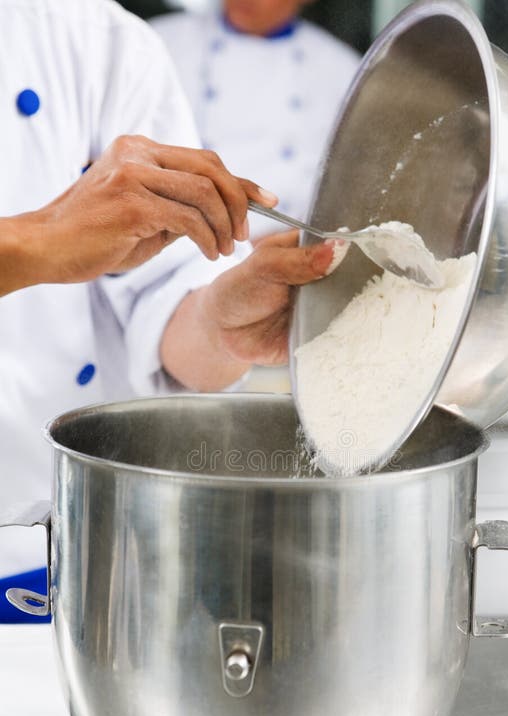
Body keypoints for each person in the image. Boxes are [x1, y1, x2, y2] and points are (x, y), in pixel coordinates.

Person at [0, 0, 337, 621]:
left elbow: (164, 307)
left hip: (66, 578)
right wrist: (42, 241)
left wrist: (222, 321)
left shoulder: (99, 38)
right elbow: (59, 239)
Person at [151, 0, 361, 240]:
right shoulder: (159, 42)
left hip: (284, 249)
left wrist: (290, 241)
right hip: (171, 250)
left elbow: (349, 191)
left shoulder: (341, 71)